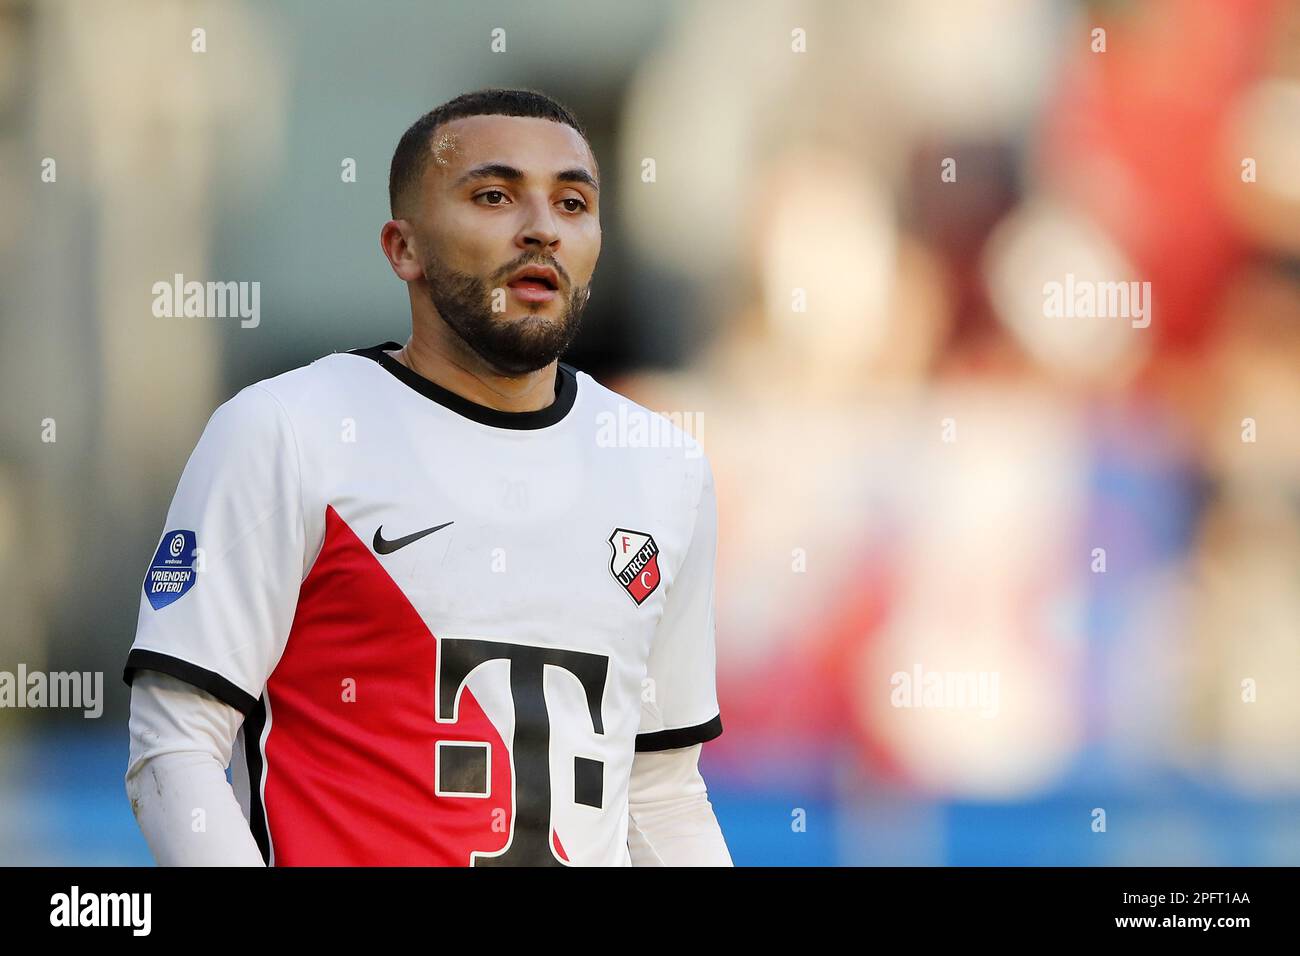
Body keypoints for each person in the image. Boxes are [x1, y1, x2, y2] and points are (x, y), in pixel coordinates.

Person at [123, 88, 731, 866]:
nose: (542, 227)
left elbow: (660, 794)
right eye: (494, 195)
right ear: (402, 247)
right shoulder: (288, 430)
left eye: (573, 202)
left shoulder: (664, 467)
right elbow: (174, 743)